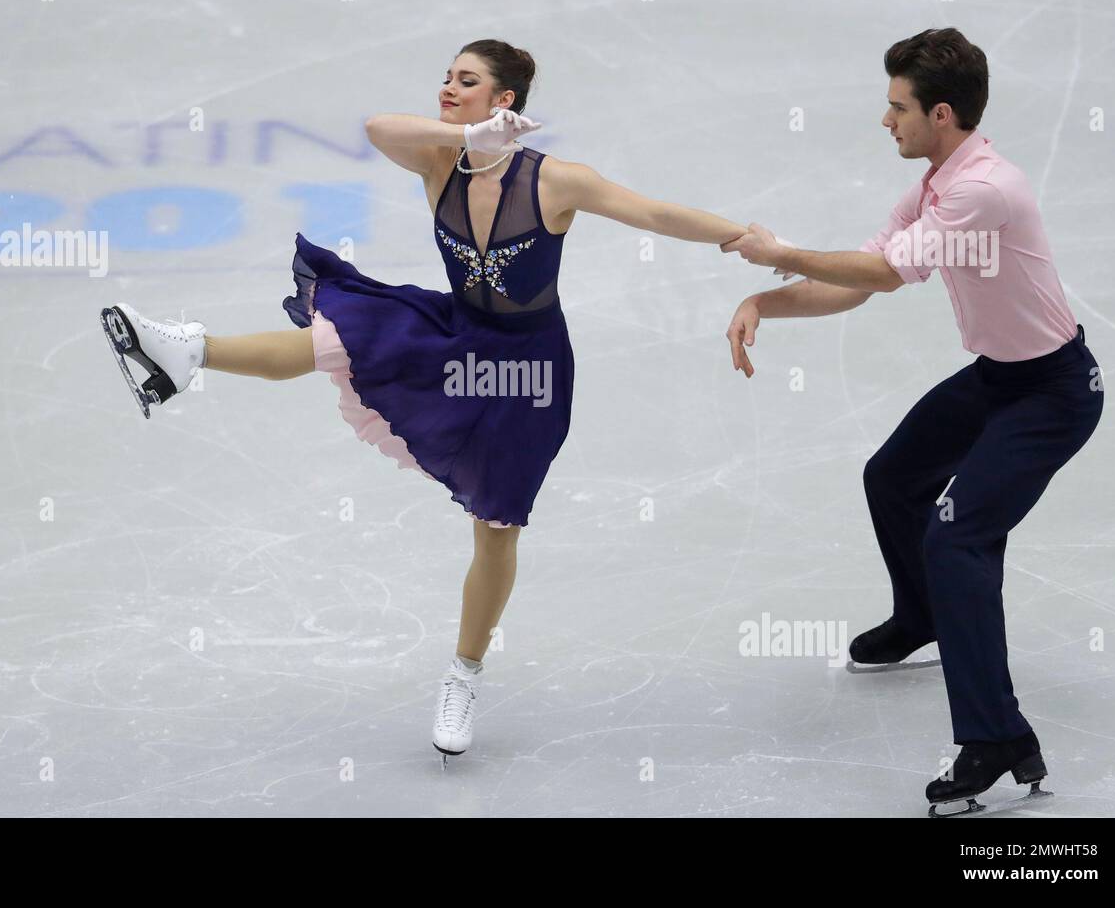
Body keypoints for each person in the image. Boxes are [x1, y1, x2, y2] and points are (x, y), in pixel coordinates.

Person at [101, 39, 748, 766]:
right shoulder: (441, 159)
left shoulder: (555, 181)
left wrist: (748, 239)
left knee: (496, 527)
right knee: (340, 336)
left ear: (504, 100)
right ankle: (187, 353)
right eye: (446, 77)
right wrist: (463, 137)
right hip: (456, 333)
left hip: (526, 372)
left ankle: (463, 675)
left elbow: (655, 214)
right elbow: (380, 128)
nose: (447, 88)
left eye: (465, 83)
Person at [721, 27, 1104, 815]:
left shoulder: (982, 189)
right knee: (893, 475)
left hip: (1053, 394)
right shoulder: (937, 180)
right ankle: (924, 616)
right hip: (999, 378)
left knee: (957, 535)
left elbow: (885, 271)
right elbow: (864, 279)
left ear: (940, 112)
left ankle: (998, 735)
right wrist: (766, 300)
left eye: (896, 107)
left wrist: (780, 250)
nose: (884, 120)